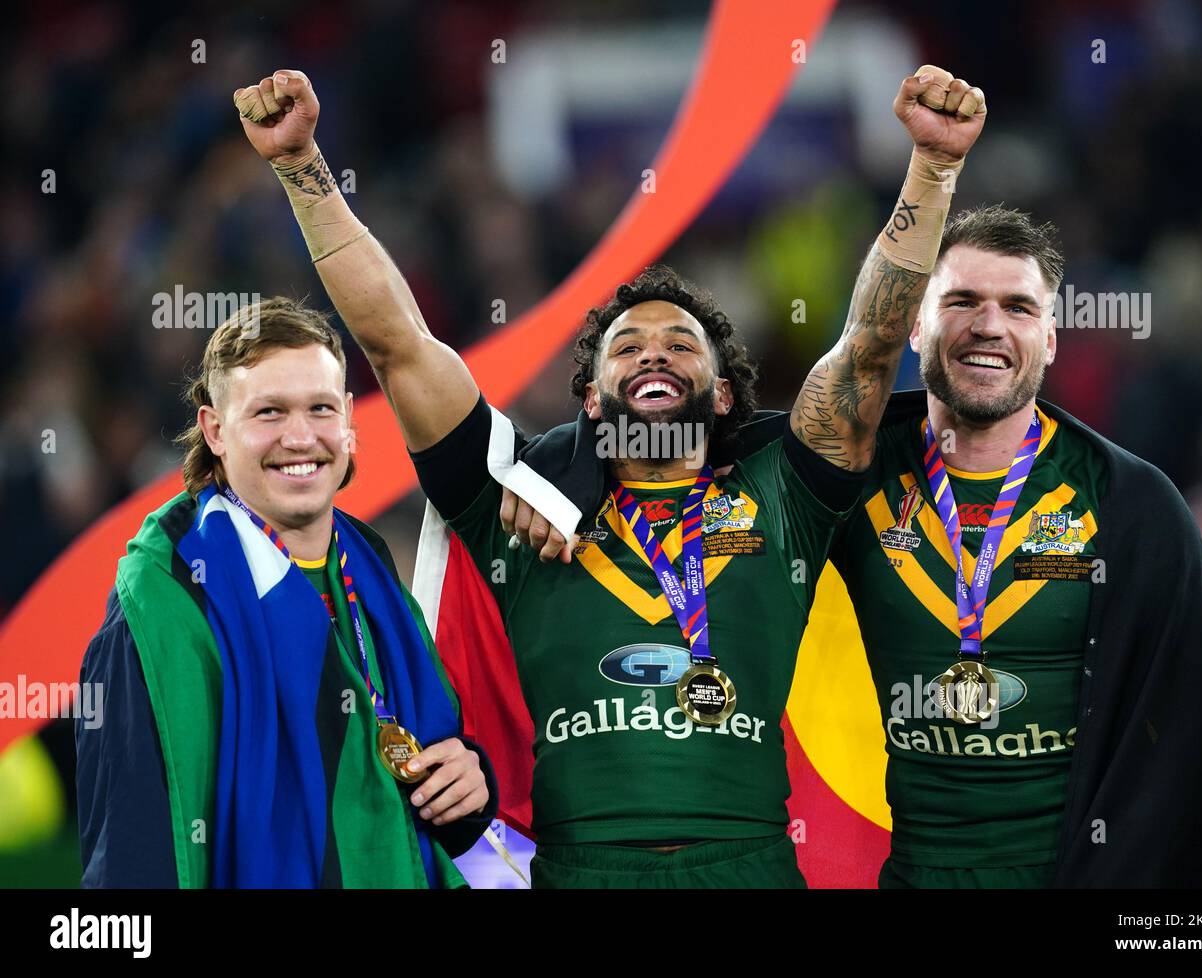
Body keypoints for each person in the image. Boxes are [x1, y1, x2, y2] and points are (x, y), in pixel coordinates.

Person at [234, 63, 985, 887]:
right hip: (578, 871)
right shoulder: (514, 504)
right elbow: (398, 343)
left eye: (679, 345)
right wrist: (302, 166)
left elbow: (871, 344)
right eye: (627, 347)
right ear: (592, 398)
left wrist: (933, 167)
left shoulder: (785, 497)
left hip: (751, 869)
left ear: (724, 390)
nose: (654, 352)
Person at [520, 205, 1202, 888]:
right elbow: (676, 429)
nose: (988, 326)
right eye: (961, 302)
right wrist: (565, 462)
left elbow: (1194, 750)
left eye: (1017, 307)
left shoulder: (1131, 504)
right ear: (914, 328)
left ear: (1049, 335)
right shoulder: (852, 474)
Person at [76, 298, 497, 888]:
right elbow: (130, 848)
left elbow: (432, 786)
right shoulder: (163, 596)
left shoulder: (366, 564)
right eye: (269, 412)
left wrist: (470, 783)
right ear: (215, 431)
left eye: (320, 409)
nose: (300, 437)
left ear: (349, 421)